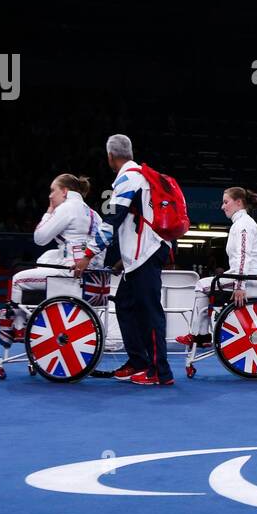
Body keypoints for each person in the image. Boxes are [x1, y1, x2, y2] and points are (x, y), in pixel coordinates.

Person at [76, 135, 173, 386]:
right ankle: (138, 362)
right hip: (141, 255)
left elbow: (112, 221)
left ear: (110, 157)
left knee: (149, 312)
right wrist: (122, 260)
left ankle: (159, 372)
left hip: (147, 254)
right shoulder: (139, 176)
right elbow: (132, 221)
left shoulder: (128, 178)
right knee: (125, 305)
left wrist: (88, 254)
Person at [0, 174, 104, 348]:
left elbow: (39, 238)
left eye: (52, 191)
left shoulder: (67, 208)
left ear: (64, 191)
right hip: (94, 278)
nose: (50, 196)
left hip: (71, 276)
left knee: (18, 279)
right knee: (45, 258)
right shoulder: (92, 213)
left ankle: (19, 328)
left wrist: (48, 212)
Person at [188, 187, 257, 344]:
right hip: (249, 276)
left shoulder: (242, 224)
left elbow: (242, 255)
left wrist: (239, 285)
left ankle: (202, 334)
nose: (222, 206)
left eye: (226, 202)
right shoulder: (242, 223)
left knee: (202, 285)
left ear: (238, 203)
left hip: (249, 278)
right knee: (206, 284)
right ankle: (202, 333)